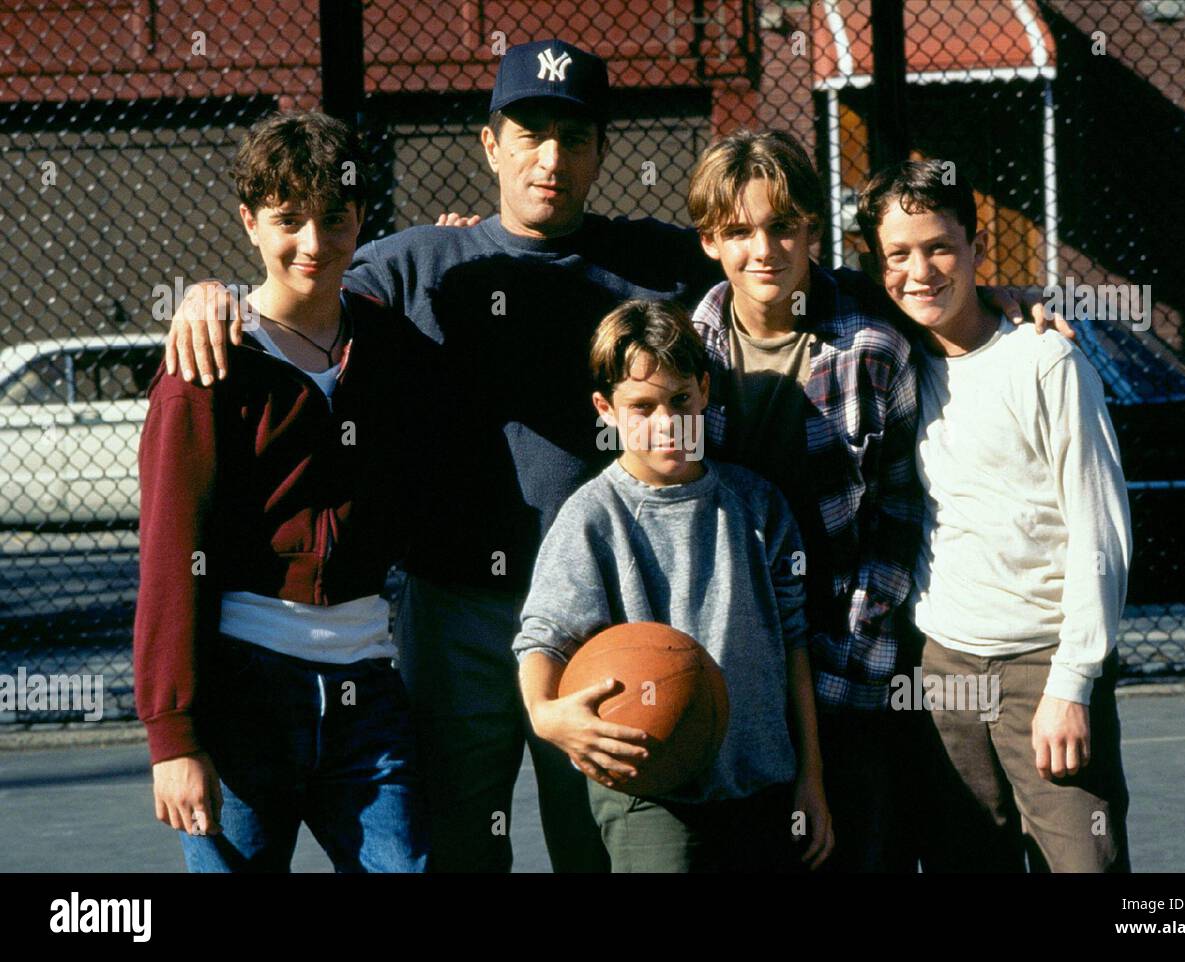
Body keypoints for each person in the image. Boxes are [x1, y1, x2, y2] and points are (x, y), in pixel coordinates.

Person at [162, 39, 1060, 873]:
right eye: (529, 134)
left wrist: (985, 303)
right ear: (490, 145)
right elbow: (300, 279)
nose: (550, 157)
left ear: (598, 152)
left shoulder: (650, 261)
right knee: (460, 848)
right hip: (455, 613)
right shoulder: (421, 263)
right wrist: (210, 296)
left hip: (604, 612)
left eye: (573, 137)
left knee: (601, 843)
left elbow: (779, 261)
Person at [134, 111, 435, 872]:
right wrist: (172, 735)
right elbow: (171, 551)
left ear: (360, 217)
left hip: (368, 689)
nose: (312, 242)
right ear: (249, 223)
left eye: (333, 219)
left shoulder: (392, 348)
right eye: (288, 220)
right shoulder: (208, 364)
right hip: (246, 696)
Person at [858, 158, 1132, 872]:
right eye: (899, 254)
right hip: (942, 667)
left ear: (979, 248)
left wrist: (1073, 683)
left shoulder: (1046, 362)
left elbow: (1101, 532)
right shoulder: (893, 358)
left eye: (941, 247)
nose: (921, 270)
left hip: (1043, 665)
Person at [514, 299, 832, 872]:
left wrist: (811, 777)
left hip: (762, 785)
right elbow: (543, 637)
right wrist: (544, 713)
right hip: (651, 793)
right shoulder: (594, 516)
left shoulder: (756, 503)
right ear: (605, 409)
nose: (667, 423)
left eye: (680, 400)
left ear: (705, 391)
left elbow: (794, 642)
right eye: (642, 406)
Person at [685, 129, 923, 871]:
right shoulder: (689, 355)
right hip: (731, 664)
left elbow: (899, 517)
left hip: (846, 658)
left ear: (813, 231)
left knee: (854, 851)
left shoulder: (872, 350)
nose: (764, 250)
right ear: (709, 242)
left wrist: (854, 654)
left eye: (783, 227)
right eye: (738, 232)